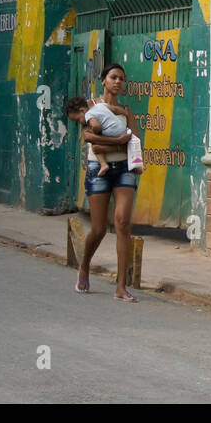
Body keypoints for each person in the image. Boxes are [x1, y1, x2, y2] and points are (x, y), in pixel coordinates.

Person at [63, 63, 139, 302]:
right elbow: (89, 138)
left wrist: (116, 144)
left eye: (121, 79)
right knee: (99, 228)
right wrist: (118, 142)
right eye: (113, 77)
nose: (118, 82)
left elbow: (135, 140)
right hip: (99, 169)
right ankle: (84, 265)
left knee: (123, 223)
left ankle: (120, 287)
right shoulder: (91, 108)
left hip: (125, 168)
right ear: (104, 80)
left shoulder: (127, 112)